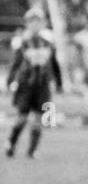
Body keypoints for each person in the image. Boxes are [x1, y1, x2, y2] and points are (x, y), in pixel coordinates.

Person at [6, 8, 63, 158]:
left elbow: (54, 64)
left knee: (39, 118)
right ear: (27, 24)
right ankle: (11, 143)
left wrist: (59, 82)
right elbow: (16, 64)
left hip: (42, 85)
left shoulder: (48, 43)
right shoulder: (22, 43)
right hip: (25, 86)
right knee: (22, 118)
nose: (35, 25)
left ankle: (32, 151)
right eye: (32, 22)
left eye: (38, 21)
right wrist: (10, 81)